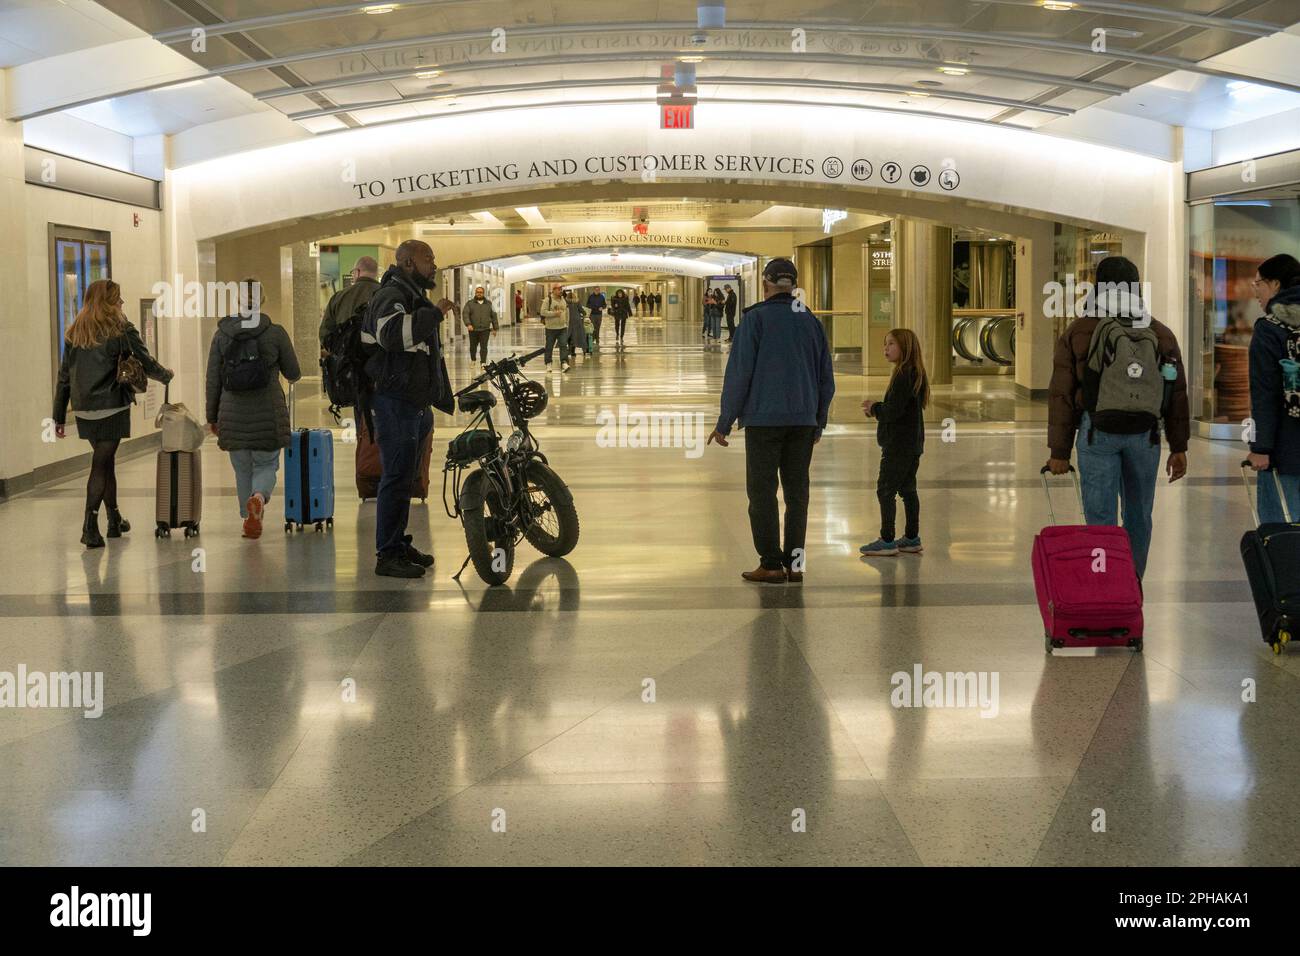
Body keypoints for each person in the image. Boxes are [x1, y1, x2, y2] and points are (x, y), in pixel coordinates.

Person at [1045, 255, 1189, 580]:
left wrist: (1059, 452)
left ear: (1098, 286)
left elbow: (1062, 396)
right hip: (1145, 435)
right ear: (1137, 287)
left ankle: (1105, 586)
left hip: (1098, 433)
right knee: (1139, 514)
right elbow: (1176, 391)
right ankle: (1132, 586)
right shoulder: (1158, 331)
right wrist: (1179, 446)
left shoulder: (1079, 330)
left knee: (1100, 517)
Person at [708, 258, 836, 584]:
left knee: (763, 493)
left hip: (764, 421)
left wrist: (724, 423)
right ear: (793, 285)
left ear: (765, 285)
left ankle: (771, 564)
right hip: (803, 421)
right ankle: (795, 563)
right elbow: (826, 379)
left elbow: (739, 375)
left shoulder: (756, 320)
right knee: (797, 494)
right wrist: (818, 421)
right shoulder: (811, 322)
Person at [53, 279, 173, 548]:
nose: (121, 303)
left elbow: (64, 379)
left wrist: (58, 416)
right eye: (118, 298)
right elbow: (145, 361)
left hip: (84, 409)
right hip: (112, 405)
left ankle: (114, 519)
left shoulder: (74, 332)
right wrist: (166, 375)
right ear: (108, 302)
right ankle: (89, 525)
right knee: (100, 464)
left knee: (105, 462)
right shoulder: (121, 329)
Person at [361, 239, 443, 578]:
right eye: (429, 258)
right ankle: (387, 554)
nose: (434, 264)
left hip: (412, 403)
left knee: (406, 476)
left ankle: (397, 541)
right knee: (395, 477)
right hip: (394, 402)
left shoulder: (410, 293)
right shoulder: (391, 295)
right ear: (408, 262)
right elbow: (392, 335)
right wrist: (433, 315)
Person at [205, 279, 301, 539]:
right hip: (267, 412)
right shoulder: (276, 332)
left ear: (238, 300)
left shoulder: (222, 334)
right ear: (262, 300)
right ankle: (258, 498)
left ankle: (248, 517)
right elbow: (294, 372)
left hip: (232, 413)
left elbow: (213, 379)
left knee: (242, 468)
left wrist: (211, 417)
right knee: (267, 464)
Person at [860, 329, 929, 556]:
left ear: (905, 347)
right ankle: (911, 537)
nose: (886, 349)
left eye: (891, 344)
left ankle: (887, 539)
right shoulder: (914, 373)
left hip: (899, 444)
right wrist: (879, 408)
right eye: (885, 344)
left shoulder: (903, 375)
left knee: (885, 490)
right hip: (912, 442)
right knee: (908, 489)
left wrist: (875, 408)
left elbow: (894, 411)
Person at [1245, 252, 1300, 522]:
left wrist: (1261, 447)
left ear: (1276, 285)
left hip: (1286, 446)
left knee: (1279, 528)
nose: (1256, 292)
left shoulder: (1270, 327)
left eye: (1259, 284)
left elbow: (1264, 392)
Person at [318, 256, 380, 356]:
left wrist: (339, 353)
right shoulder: (386, 294)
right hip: (378, 364)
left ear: (357, 272)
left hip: (346, 365)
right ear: (376, 273)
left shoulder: (339, 297)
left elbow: (325, 333)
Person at [539, 283, 571, 373]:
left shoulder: (563, 300)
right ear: (553, 290)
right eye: (559, 289)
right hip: (551, 328)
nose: (561, 291)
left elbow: (566, 311)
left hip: (562, 328)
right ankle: (548, 363)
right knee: (549, 346)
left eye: (561, 289)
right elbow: (543, 312)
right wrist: (554, 314)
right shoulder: (547, 300)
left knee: (563, 345)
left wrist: (567, 323)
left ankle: (564, 362)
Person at [463, 285, 498, 364]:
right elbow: (465, 314)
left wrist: (495, 328)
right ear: (475, 293)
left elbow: (494, 315)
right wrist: (468, 324)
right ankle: (473, 360)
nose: (479, 294)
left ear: (483, 293)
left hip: (485, 329)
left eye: (481, 292)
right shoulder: (470, 303)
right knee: (473, 347)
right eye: (477, 292)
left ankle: (483, 362)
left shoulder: (489, 304)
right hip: (473, 329)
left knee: (484, 347)